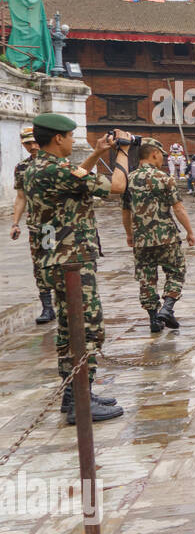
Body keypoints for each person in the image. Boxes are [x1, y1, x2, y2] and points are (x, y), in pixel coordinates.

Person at [21, 114, 129, 424]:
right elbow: (117, 186)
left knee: (69, 327)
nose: (71, 141)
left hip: (53, 259)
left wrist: (96, 153)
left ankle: (75, 392)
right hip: (72, 260)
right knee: (87, 326)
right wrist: (123, 151)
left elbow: (76, 175)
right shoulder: (59, 170)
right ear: (58, 138)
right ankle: (80, 400)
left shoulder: (36, 167)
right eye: (70, 137)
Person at [122, 138, 195, 334]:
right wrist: (189, 231)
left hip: (141, 239)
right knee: (176, 271)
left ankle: (154, 319)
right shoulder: (164, 178)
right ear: (154, 154)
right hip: (167, 237)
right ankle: (167, 308)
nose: (163, 159)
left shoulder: (128, 179)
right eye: (161, 155)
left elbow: (125, 212)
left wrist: (129, 234)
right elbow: (178, 208)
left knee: (146, 278)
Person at [10, 127, 55, 325]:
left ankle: (66, 303)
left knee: (58, 264)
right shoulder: (22, 168)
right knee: (40, 265)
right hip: (39, 226)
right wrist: (15, 223)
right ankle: (47, 307)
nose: (33, 147)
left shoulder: (55, 163)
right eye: (28, 143)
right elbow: (21, 197)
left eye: (35, 142)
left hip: (58, 225)